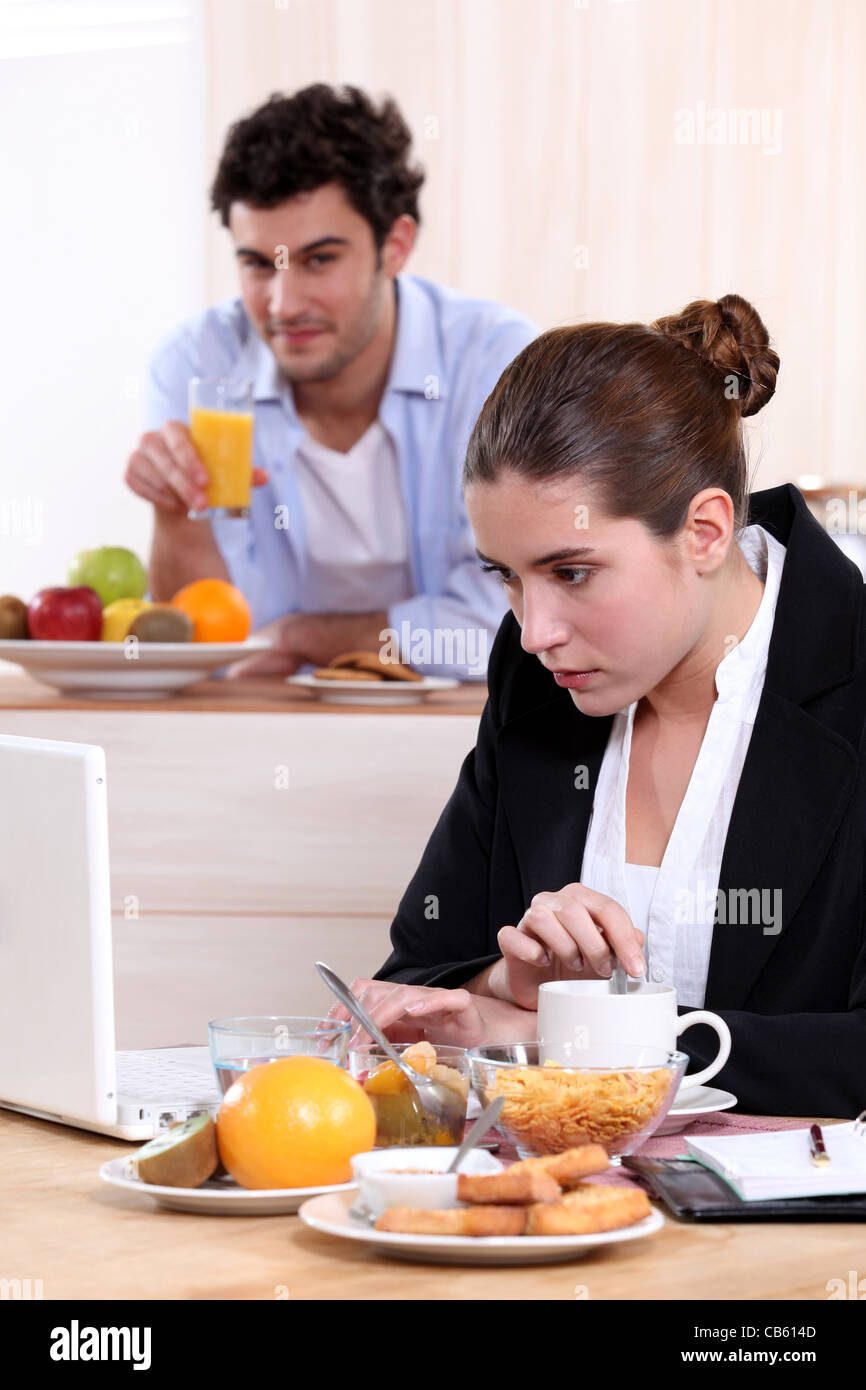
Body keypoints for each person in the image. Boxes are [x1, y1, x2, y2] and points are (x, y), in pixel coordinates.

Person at [327, 293, 866, 1118]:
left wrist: (569, 1033)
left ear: (706, 533)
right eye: (504, 575)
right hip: (563, 1207)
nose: (534, 630)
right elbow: (419, 972)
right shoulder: (538, 674)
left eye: (571, 572)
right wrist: (507, 985)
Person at [125, 84, 538, 680]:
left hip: (456, 724)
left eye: (319, 260)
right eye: (257, 263)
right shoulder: (197, 367)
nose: (283, 304)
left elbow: (514, 621)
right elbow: (211, 641)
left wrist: (302, 637)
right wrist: (171, 509)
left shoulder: (495, 362)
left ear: (394, 247)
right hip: (268, 723)